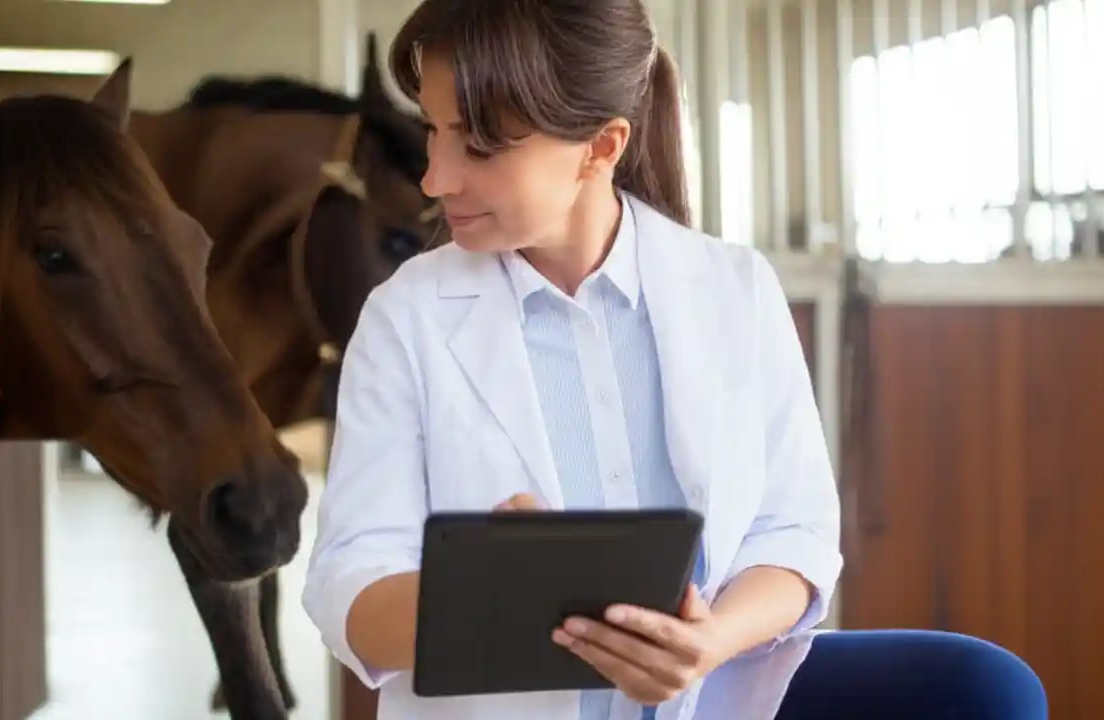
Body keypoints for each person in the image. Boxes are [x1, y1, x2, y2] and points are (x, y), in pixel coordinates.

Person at [301, 1, 842, 718]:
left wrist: (709, 642)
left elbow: (796, 532)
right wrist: (496, 596)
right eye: (434, 132)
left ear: (601, 146)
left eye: (480, 147)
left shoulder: (736, 292)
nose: (435, 179)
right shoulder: (406, 318)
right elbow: (349, 581)